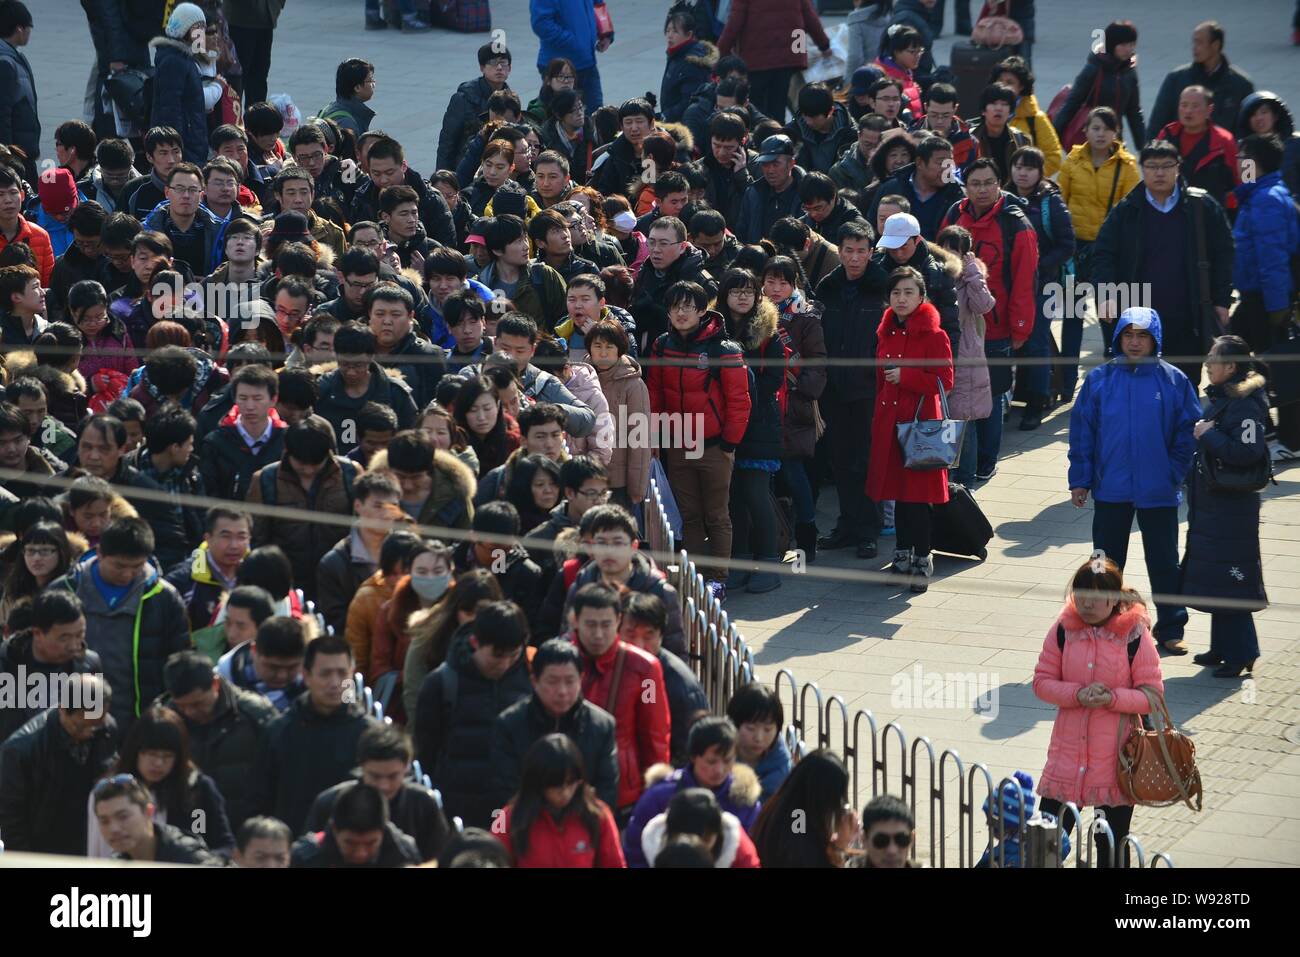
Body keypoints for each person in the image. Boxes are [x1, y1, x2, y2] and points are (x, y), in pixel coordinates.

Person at [1069, 307, 1201, 653]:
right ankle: (1102, 622)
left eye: (1142, 335)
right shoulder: (1099, 380)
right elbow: (1082, 433)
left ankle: (1171, 627)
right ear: (1117, 338)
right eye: (1128, 335)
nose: (1135, 342)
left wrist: (1173, 472)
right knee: (1104, 563)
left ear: (1154, 339)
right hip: (1112, 487)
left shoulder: (1173, 381)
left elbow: (1188, 434)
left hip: (1158, 490)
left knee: (1164, 562)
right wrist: (1080, 479)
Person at [1033, 557, 1165, 867]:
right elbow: (1042, 683)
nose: (1087, 604)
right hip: (1067, 757)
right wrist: (1078, 694)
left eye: (1096, 597)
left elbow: (1153, 697)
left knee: (1110, 841)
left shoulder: (1133, 636)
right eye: (1081, 595)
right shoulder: (1063, 630)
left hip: (1116, 761)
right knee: (1045, 842)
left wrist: (1112, 699)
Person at [1091, 139, 1234, 384]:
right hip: (1141, 319)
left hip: (1188, 316)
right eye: (1152, 166)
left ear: (1178, 168)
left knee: (1183, 383)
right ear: (1142, 168)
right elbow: (1104, 253)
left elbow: (1225, 253)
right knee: (1140, 384)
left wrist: (1221, 301)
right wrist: (1107, 295)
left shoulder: (1201, 207)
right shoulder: (1127, 210)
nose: (1159, 173)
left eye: (1167, 166)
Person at [647, 280, 750, 599]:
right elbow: (654, 393)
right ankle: (694, 574)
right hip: (679, 446)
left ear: (703, 310)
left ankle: (718, 577)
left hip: (715, 446)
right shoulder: (662, 345)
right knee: (688, 514)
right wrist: (657, 438)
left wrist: (729, 442)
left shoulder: (724, 349)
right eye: (675, 306)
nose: (680, 313)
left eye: (688, 306)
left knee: (716, 514)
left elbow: (739, 401)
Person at [940, 160, 1039, 480]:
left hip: (995, 327)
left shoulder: (1016, 223)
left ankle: (986, 459)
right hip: (956, 326)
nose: (982, 190)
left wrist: (1020, 327)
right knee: (957, 395)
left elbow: (1026, 280)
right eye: (975, 183)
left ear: (1000, 184)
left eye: (988, 183)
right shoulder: (955, 215)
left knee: (992, 395)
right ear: (964, 186)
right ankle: (955, 461)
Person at [1182, 337, 1270, 678]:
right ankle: (1223, 647)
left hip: (1232, 505)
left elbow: (1247, 452)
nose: (1207, 362)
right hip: (1217, 502)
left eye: (1213, 358)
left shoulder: (1247, 404)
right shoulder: (1228, 397)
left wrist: (1208, 435)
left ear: (1230, 367)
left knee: (1233, 579)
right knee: (1220, 576)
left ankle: (1243, 652)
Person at [53, 516, 190, 732]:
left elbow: (179, 660)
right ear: (99, 554)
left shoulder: (164, 598)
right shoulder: (62, 592)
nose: (127, 574)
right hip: (72, 721)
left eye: (136, 566)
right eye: (119, 566)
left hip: (139, 723)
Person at [867, 267, 954, 595]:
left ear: (921, 297)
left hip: (920, 427)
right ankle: (901, 556)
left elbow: (945, 382)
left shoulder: (935, 335)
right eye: (896, 293)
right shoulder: (886, 331)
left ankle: (921, 558)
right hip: (890, 423)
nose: (901, 299)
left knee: (917, 499)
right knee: (898, 496)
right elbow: (879, 379)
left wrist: (907, 377)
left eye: (908, 292)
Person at [414, 599, 532, 828]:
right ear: (475, 642)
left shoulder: (531, 676)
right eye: (497, 655)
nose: (506, 663)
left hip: (514, 810)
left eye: (514, 654)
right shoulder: (442, 683)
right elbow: (426, 754)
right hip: (457, 809)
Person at [250, 632, 379, 835]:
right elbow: (260, 800)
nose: (335, 683)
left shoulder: (369, 734)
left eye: (342, 673)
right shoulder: (279, 732)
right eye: (325, 674)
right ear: (306, 676)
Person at [1057, 106, 1140, 399]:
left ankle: (1118, 378)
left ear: (1116, 133)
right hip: (1074, 251)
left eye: (1106, 128)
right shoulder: (1072, 162)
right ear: (1086, 131)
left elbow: (1133, 215)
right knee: (1071, 318)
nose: (1101, 133)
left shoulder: (1127, 167)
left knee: (1113, 318)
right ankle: (1066, 384)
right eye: (1095, 127)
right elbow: (1059, 204)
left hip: (1110, 253)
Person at [567, 582, 669, 816]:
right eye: (590, 625)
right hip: (564, 783)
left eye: (606, 624)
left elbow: (655, 735)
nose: (598, 634)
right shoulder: (560, 659)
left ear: (618, 621)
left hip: (624, 789)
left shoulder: (645, 669)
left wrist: (654, 793)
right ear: (575, 621)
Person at [86, 704, 234, 857]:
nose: (158, 763)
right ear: (136, 751)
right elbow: (97, 851)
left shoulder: (197, 789)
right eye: (151, 754)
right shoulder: (109, 790)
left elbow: (224, 844)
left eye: (167, 756)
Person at [158, 648, 277, 831]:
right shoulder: (165, 720)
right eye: (183, 706)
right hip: (189, 828)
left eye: (197, 704)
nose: (190, 712)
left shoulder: (254, 715)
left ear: (215, 684)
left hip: (246, 828)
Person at [0, 673, 117, 856]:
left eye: (96, 726)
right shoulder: (21, 751)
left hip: (88, 838)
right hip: (43, 845)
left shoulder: (105, 727)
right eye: (81, 727)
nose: (89, 733)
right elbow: (12, 820)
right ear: (62, 709)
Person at [623, 715, 760, 868]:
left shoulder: (743, 800)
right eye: (711, 761)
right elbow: (635, 854)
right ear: (694, 757)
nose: (719, 769)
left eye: (727, 760)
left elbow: (751, 856)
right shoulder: (659, 797)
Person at [304, 723, 451, 861]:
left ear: (406, 767)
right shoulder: (330, 803)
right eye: (375, 776)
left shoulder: (423, 805)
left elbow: (439, 859)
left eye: (393, 776)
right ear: (361, 766)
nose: (384, 786)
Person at [1008, 146, 1075, 430]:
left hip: (1042, 285)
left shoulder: (1051, 202)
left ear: (1040, 172)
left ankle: (1037, 402)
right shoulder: (1004, 198)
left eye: (1029, 167)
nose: (1022, 173)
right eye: (1018, 166)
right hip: (1009, 284)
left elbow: (1067, 245)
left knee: (1035, 342)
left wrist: (1037, 266)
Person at [1229, 134, 1300, 355]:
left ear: (1253, 163)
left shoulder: (1266, 200)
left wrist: (1277, 308)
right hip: (1256, 294)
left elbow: (1273, 259)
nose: (1238, 163)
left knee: (1262, 359)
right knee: (1233, 348)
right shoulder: (1257, 194)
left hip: (1264, 298)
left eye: (1241, 158)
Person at [935, 225, 994, 489]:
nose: (948, 256)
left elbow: (984, 305)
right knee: (942, 420)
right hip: (939, 355)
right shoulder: (933, 275)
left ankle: (966, 481)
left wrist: (972, 273)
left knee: (964, 423)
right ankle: (944, 477)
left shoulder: (971, 277)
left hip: (966, 358)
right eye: (944, 249)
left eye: (954, 251)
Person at [0, 591, 100, 745]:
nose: (74, 645)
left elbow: (93, 727)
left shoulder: (88, 666)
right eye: (64, 638)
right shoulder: (6, 664)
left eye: (80, 635)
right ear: (38, 634)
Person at [716, 0, 830, 122]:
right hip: (788, 57)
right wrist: (824, 44)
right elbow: (809, 16)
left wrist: (720, 52)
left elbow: (734, 22)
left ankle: (758, 136)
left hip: (755, 58)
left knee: (755, 106)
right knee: (778, 106)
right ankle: (778, 135)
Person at [749, 749, 860, 867]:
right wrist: (841, 844)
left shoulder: (785, 807)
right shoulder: (798, 830)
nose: (841, 805)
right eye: (839, 797)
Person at [199, 364, 288, 502]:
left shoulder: (287, 441)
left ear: (273, 400)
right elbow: (208, 494)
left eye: (257, 398)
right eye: (243, 398)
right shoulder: (216, 443)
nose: (250, 406)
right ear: (234, 399)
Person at [587, 319, 650, 514]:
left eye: (609, 347)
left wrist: (637, 487)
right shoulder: (581, 378)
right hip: (585, 476)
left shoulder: (633, 385)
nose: (603, 352)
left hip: (618, 482)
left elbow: (639, 439)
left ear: (620, 349)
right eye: (597, 346)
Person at [1149, 21, 1255, 137]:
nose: (1194, 48)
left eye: (1199, 43)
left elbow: (1246, 130)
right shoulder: (1176, 79)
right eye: (1194, 42)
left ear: (1215, 45)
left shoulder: (1241, 84)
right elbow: (1157, 123)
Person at [1053, 21, 1144, 152]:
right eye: (1123, 45)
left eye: (1132, 44)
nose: (1129, 49)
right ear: (1112, 45)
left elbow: (1134, 111)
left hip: (1114, 138)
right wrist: (1052, 138)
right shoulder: (1094, 69)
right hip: (1089, 139)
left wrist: (1144, 148)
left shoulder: (1129, 72)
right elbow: (1072, 103)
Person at [92, 774, 223, 865]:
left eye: (123, 816)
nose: (114, 828)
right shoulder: (116, 862)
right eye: (104, 821)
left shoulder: (187, 856)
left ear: (148, 812)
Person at [291, 780, 423, 867]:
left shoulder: (404, 855)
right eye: (350, 843)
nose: (361, 853)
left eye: (371, 843)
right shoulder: (305, 859)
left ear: (383, 830)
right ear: (334, 830)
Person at [164, 506, 251, 635]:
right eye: (226, 536)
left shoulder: (257, 573)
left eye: (241, 537)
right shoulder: (183, 581)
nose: (234, 545)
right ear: (207, 538)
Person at [150, 4, 218, 166]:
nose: (201, 32)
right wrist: (176, 147)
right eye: (197, 27)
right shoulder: (175, 61)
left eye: (203, 27)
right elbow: (169, 108)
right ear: (184, 29)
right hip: (185, 143)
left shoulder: (184, 56)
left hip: (191, 137)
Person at [1153, 86, 1239, 211]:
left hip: (1212, 213)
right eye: (1184, 105)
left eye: (1195, 106)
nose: (1188, 111)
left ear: (1209, 110)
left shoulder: (1225, 140)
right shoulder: (1167, 134)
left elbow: (1245, 178)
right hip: (1171, 210)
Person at [216, 593, 305, 711]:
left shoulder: (318, 678)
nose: (282, 675)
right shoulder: (226, 674)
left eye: (291, 667)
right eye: (273, 667)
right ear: (254, 651)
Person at [638, 786, 761, 868]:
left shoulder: (736, 845)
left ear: (717, 833)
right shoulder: (652, 841)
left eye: (706, 840)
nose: (698, 847)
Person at [438, 43, 514, 173]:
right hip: (466, 166)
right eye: (493, 63)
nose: (499, 68)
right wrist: (443, 176)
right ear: (482, 68)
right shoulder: (463, 98)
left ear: (510, 68)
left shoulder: (510, 99)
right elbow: (447, 142)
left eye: (503, 63)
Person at [726, 682, 791, 800]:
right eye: (751, 728)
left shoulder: (782, 772)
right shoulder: (714, 754)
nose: (759, 738)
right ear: (733, 724)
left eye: (768, 729)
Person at [735, 134, 804, 245]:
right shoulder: (753, 193)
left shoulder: (805, 194)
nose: (770, 170)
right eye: (765, 164)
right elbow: (741, 234)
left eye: (776, 164)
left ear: (791, 163)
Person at [0, 2, 38, 182]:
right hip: (16, 155)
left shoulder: (12, 57)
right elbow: (2, 113)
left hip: (19, 150)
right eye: (29, 27)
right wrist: (6, 155)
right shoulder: (6, 63)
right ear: (19, 29)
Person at [1237, 91, 1300, 196]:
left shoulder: (1295, 145)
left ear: (1275, 116)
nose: (1259, 118)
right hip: (1261, 206)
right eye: (1253, 114)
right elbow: (1247, 185)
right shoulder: (1247, 151)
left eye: (1264, 112)